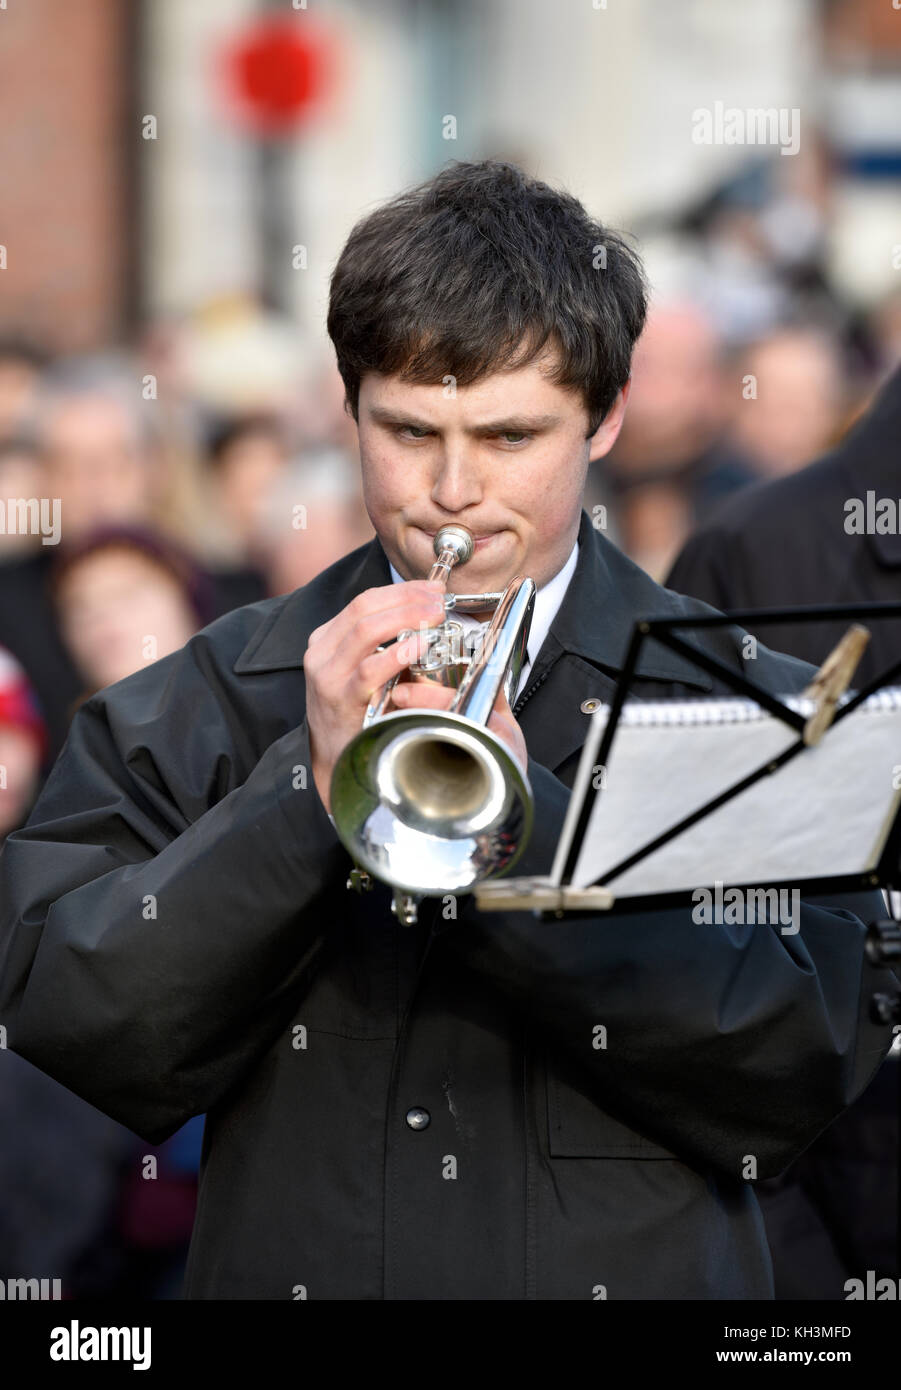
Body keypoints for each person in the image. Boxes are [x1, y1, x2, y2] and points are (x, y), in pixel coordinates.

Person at [0, 160, 896, 1301]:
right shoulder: (213, 690)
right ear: (348, 406)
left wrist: (529, 838)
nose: (453, 493)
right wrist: (301, 796)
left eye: (512, 436)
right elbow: (80, 1024)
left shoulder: (737, 698)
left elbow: (801, 1062)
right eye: (409, 431)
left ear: (607, 416)